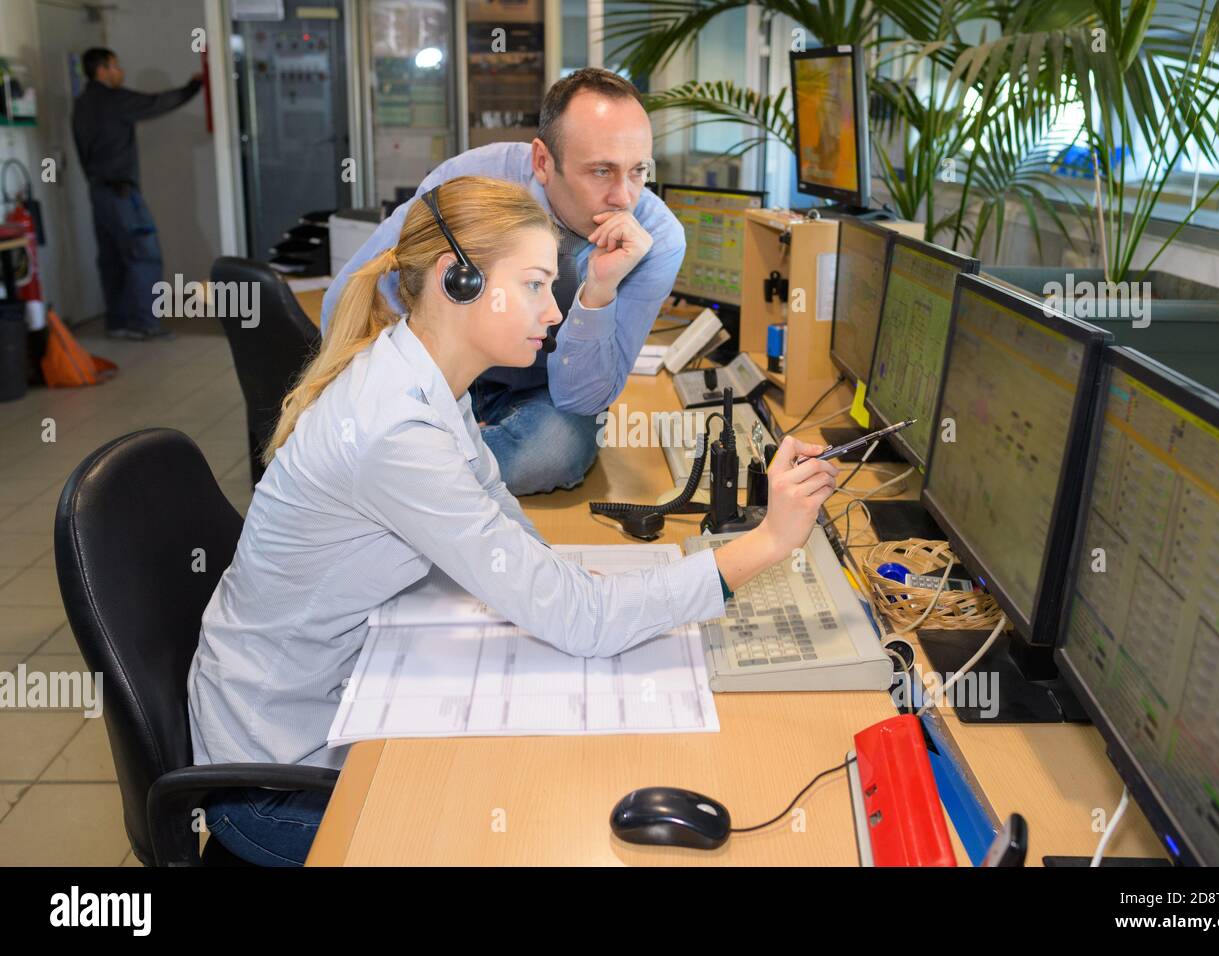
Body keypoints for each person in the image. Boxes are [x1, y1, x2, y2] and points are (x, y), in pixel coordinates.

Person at [188, 177, 838, 866]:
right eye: (532, 285)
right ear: (457, 281)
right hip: (277, 779)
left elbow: (507, 525)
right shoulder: (396, 430)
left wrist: (572, 589)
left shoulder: (430, 379)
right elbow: (579, 620)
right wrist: (766, 544)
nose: (553, 313)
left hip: (316, 708)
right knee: (519, 822)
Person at [323, 68, 680, 496]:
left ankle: (408, 476)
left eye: (638, 171)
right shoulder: (472, 180)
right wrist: (433, 400)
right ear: (544, 162)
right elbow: (355, 296)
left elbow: (583, 400)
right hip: (448, 373)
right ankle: (414, 471)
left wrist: (598, 293)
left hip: (546, 390)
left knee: (553, 451)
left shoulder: (655, 239)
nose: (624, 197)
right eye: (601, 172)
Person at [72, 48, 202, 341]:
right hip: (121, 193)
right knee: (145, 255)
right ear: (102, 70)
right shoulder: (114, 101)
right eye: (116, 66)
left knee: (112, 259)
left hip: (98, 192)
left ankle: (118, 323)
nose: (121, 72)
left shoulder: (81, 104)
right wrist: (194, 86)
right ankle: (145, 323)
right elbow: (156, 103)